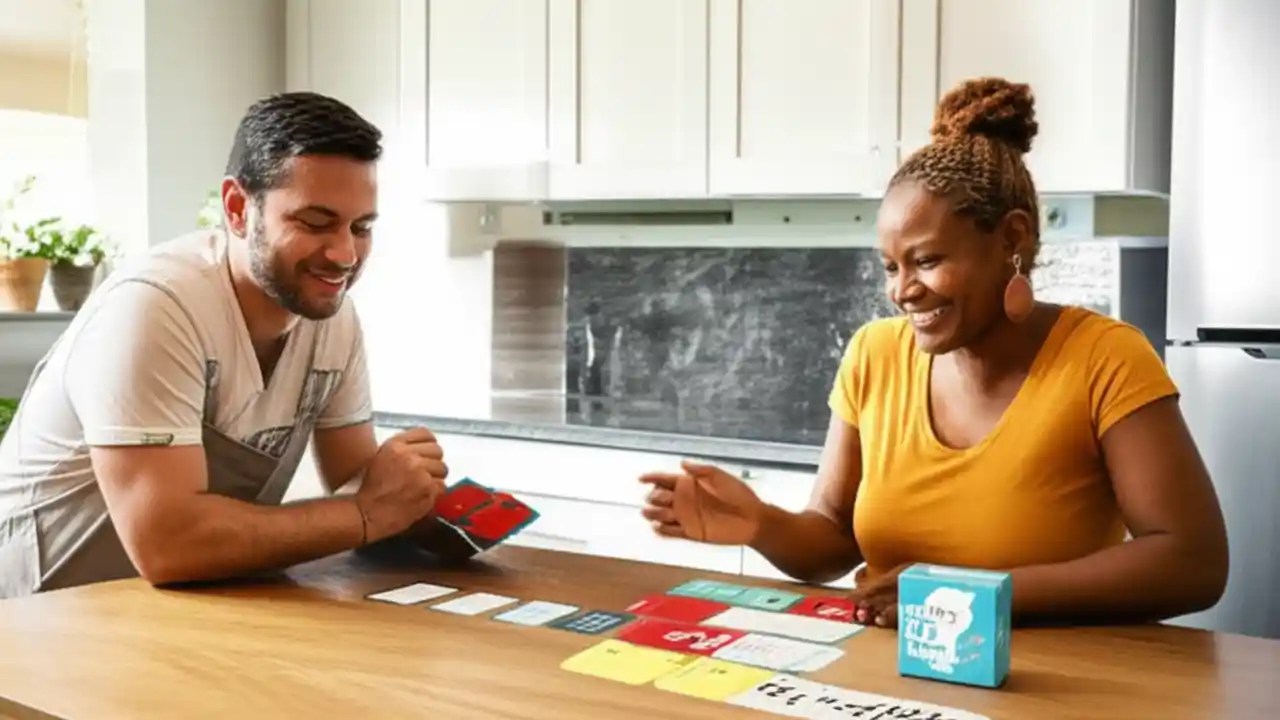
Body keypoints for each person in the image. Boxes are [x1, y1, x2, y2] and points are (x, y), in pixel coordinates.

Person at [640, 77, 1230, 628]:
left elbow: (1192, 563)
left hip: (1040, 686)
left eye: (927, 261)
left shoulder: (1105, 358)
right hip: (879, 677)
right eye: (891, 267)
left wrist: (974, 594)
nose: (902, 290)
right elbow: (833, 539)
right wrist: (760, 524)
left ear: (1012, 239)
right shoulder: (874, 355)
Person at [0, 92, 448, 598]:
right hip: (35, 621)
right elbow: (168, 543)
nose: (345, 254)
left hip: (168, 614)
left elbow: (359, 484)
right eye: (316, 223)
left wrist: (416, 497)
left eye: (361, 227)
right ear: (238, 208)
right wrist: (366, 512)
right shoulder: (156, 308)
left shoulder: (332, 319)